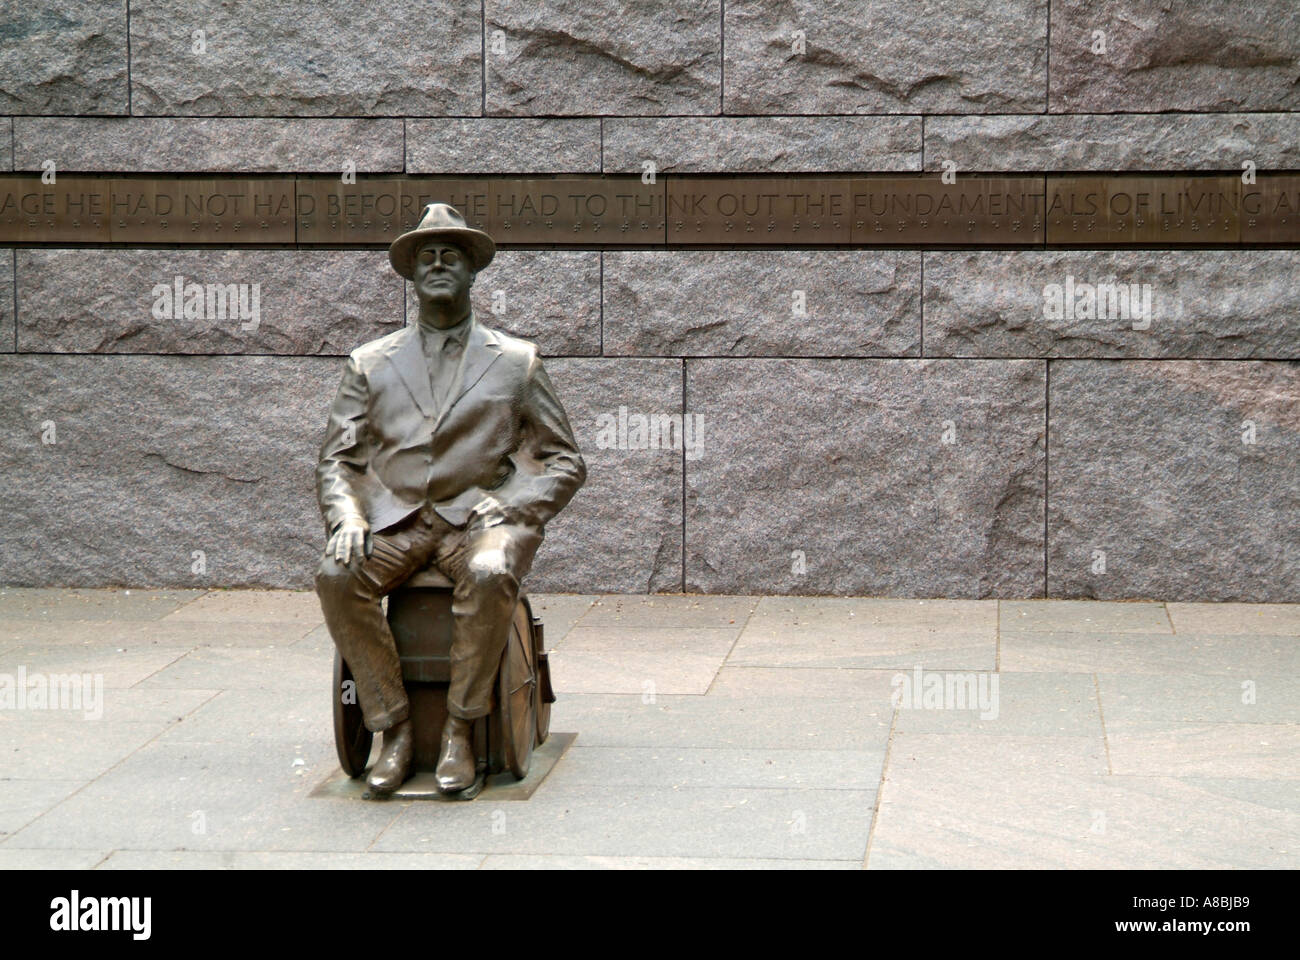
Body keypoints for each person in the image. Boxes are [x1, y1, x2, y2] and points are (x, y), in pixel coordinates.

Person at [314, 203, 585, 795]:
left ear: (471, 271)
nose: (438, 264)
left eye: (451, 256)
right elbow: (339, 458)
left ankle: (462, 729)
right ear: (411, 274)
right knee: (336, 574)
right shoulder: (369, 361)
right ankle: (394, 729)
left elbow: (565, 459)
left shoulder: (516, 362)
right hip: (396, 521)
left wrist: (513, 504)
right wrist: (348, 515)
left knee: (490, 572)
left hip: (478, 520)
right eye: (427, 257)